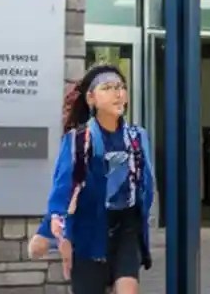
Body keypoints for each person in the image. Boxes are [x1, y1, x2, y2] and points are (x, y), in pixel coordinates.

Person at [43, 64, 156, 294]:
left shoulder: (137, 136)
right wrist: (52, 231)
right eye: (108, 87)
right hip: (89, 232)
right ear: (91, 98)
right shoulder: (78, 140)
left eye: (121, 87)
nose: (118, 93)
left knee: (129, 289)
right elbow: (64, 189)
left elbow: (146, 183)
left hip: (126, 227)